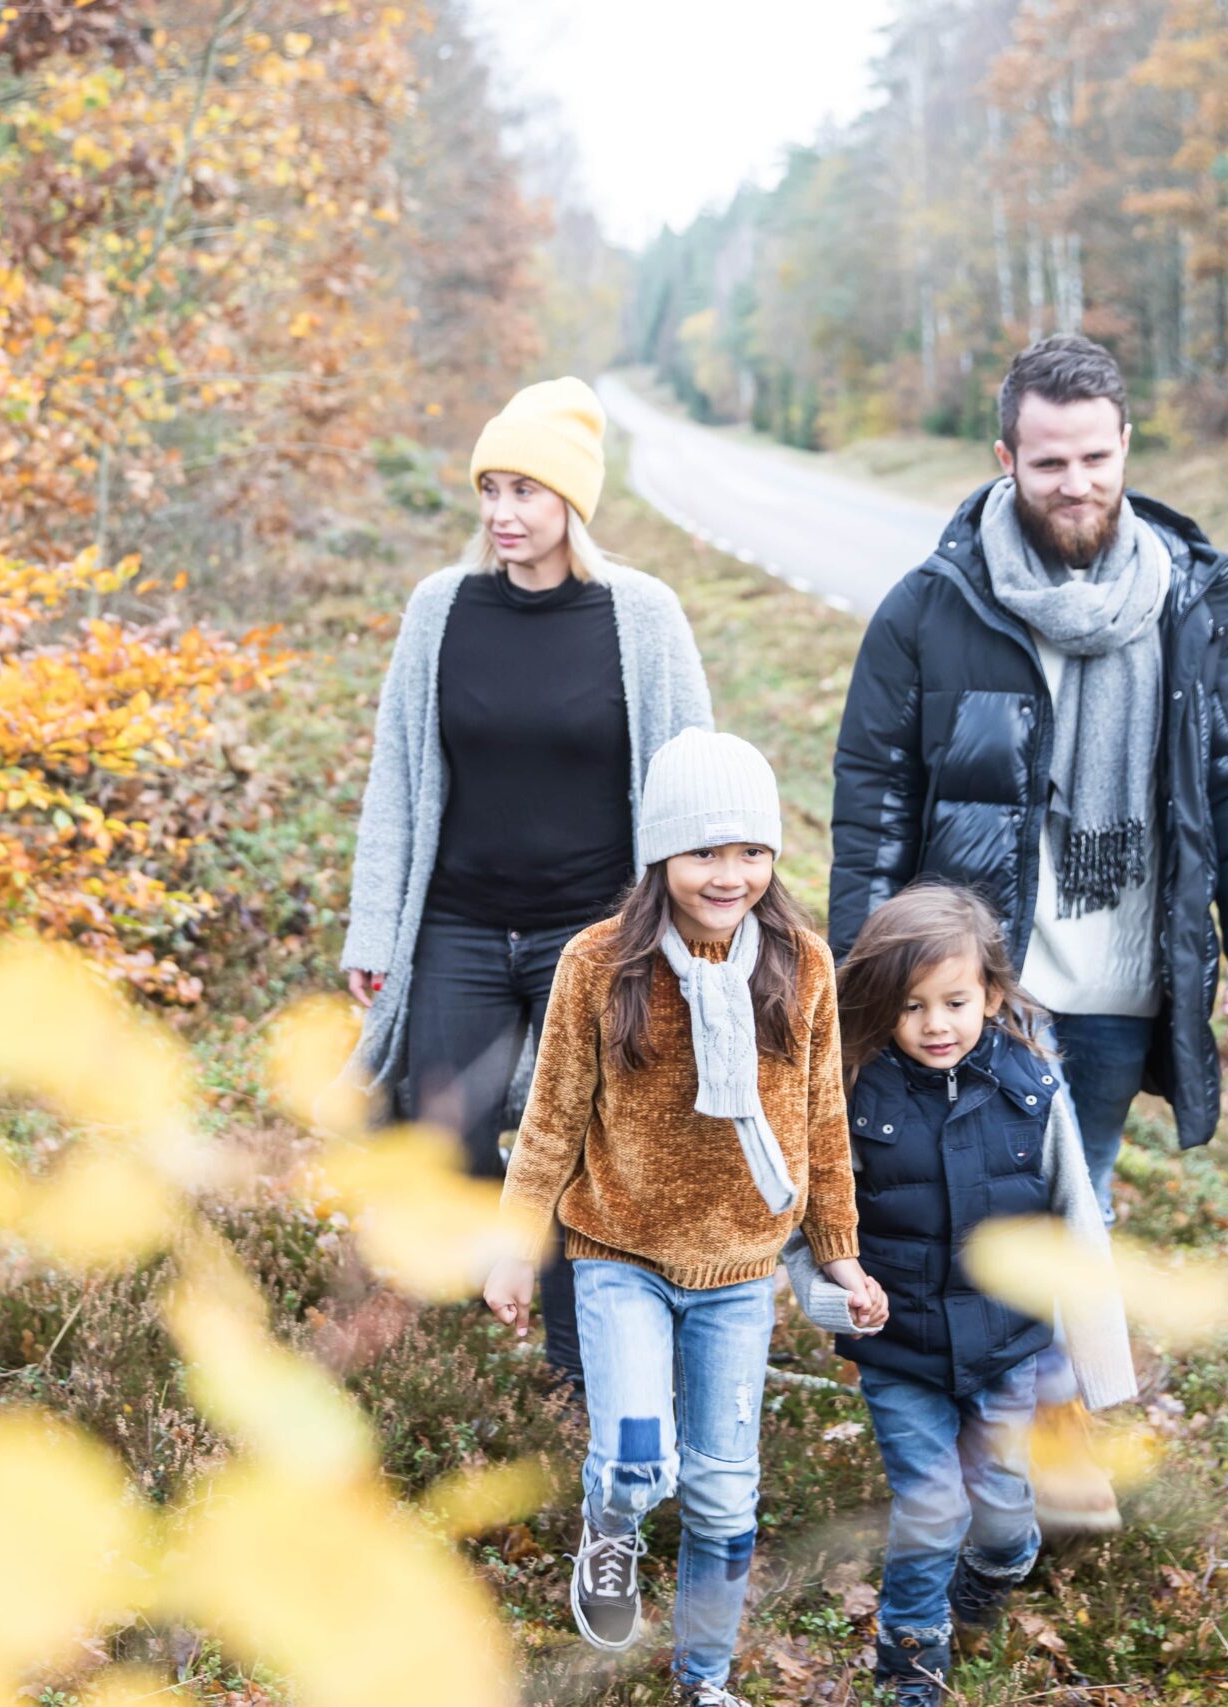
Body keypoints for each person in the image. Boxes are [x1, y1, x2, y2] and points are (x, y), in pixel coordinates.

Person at [828, 333, 1228, 1523]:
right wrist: (866, 979)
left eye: (1094, 457)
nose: (1075, 483)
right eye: (1048, 462)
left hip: (1127, 971)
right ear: (1005, 459)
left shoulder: (1188, 602)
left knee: (1069, 1191)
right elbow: (869, 806)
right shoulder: (931, 610)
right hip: (985, 974)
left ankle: (1036, 1435)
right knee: (1007, 1202)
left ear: (1126, 449)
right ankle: (1035, 1440)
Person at [484, 730, 881, 1703]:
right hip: (618, 1250)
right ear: (659, 854)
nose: (729, 874)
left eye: (750, 851)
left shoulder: (802, 964)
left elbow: (823, 1119)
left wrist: (838, 1252)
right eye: (705, 851)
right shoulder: (598, 964)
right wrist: (510, 1247)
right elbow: (550, 1119)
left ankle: (704, 1679)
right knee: (632, 1460)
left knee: (721, 1491)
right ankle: (609, 1528)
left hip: (741, 1270)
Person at [342, 376, 713, 1388]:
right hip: (457, 922)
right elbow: (398, 778)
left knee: (580, 1141)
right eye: (490, 489)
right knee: (439, 1128)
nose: (504, 514)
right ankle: (476, 1319)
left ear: (571, 502)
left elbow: (694, 782)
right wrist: (374, 935)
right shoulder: (440, 610)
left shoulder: (639, 616)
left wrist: (693, 934)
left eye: (527, 492)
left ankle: (566, 1361)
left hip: (588, 930)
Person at [793, 883, 1135, 1702]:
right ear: (883, 1004)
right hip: (900, 1351)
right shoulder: (852, 1095)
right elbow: (807, 1232)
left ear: (990, 991)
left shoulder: (1032, 1087)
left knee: (1005, 1524)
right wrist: (841, 1298)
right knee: (932, 1505)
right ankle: (912, 1668)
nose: (936, 1024)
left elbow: (1075, 1222)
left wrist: (1102, 1365)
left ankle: (989, 1580)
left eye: (955, 1000)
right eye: (912, 1006)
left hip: (1008, 1352)